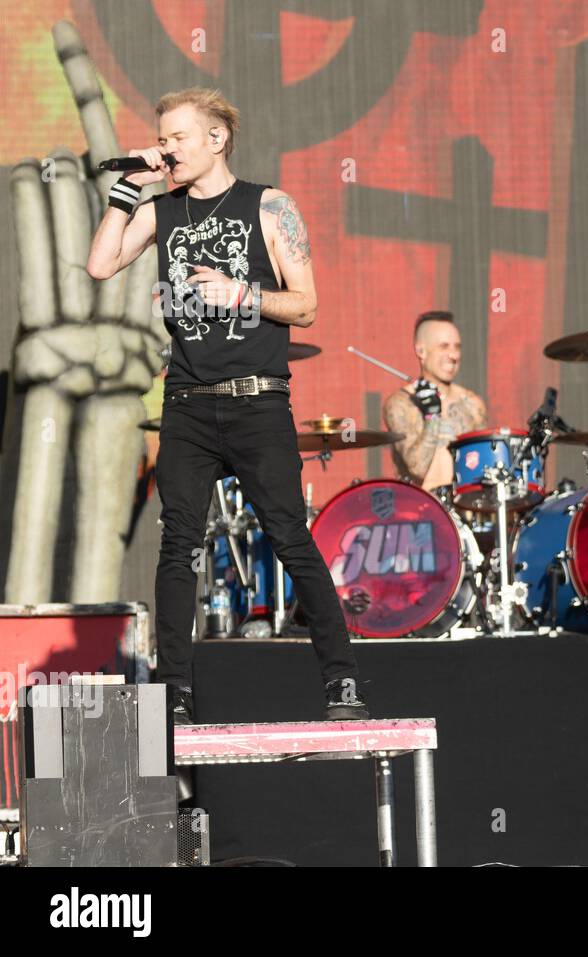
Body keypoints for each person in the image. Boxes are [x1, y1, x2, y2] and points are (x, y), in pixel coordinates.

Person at [87, 87, 368, 723]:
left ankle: (342, 681)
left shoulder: (269, 206)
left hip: (257, 401)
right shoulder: (162, 210)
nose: (166, 148)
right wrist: (128, 188)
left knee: (290, 537)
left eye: (177, 137)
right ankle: (177, 694)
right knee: (178, 545)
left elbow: (307, 304)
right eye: (161, 137)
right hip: (186, 403)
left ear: (217, 139)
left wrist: (243, 295)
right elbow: (101, 264)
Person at [382, 311, 487, 491]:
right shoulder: (401, 403)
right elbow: (417, 469)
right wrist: (432, 416)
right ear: (421, 351)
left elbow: (485, 466)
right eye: (444, 347)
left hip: (465, 511)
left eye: (457, 347)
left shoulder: (472, 403)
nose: (453, 355)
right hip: (421, 510)